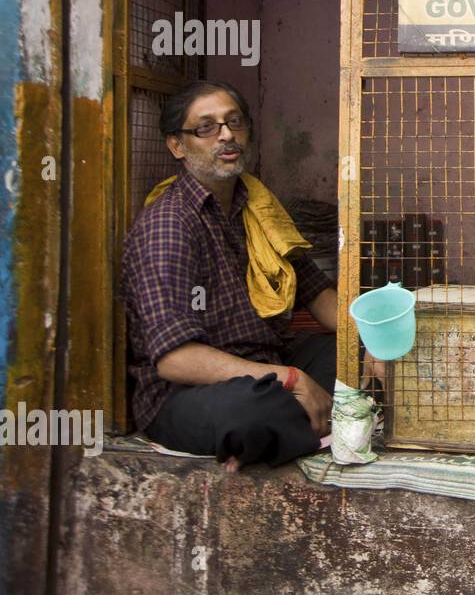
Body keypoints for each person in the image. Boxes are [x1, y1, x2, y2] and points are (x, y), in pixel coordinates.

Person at [121, 81, 380, 472]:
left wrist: (369, 341)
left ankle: (287, 431)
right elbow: (175, 360)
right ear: (177, 146)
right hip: (187, 392)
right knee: (253, 409)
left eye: (234, 122)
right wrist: (290, 380)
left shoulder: (258, 208)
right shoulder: (168, 226)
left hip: (265, 363)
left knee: (351, 357)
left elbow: (316, 293)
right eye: (205, 128)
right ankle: (297, 424)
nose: (226, 135)